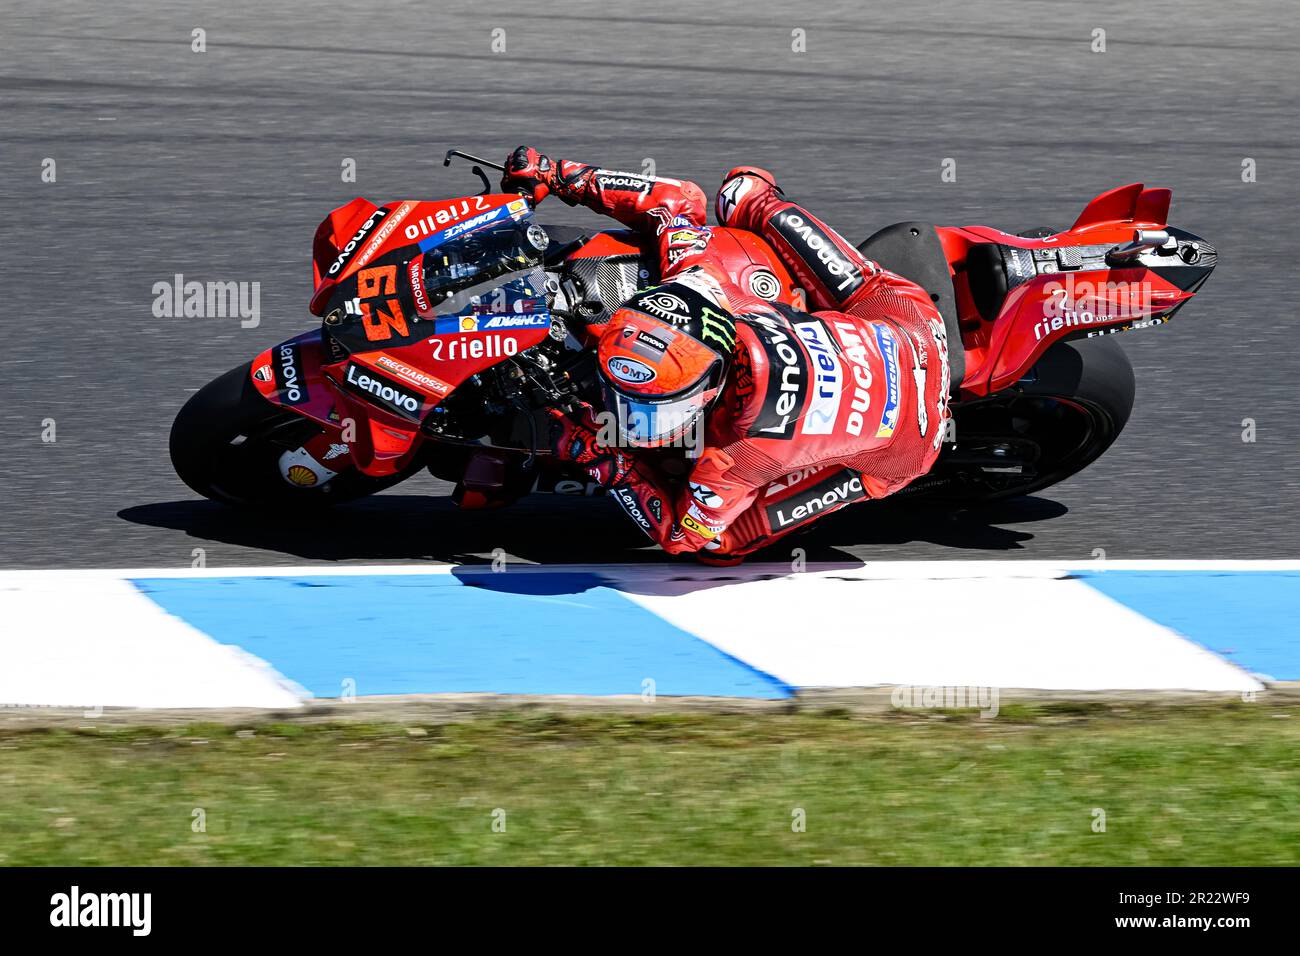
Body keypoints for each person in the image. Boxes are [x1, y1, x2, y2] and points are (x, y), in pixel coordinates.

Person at [501, 146, 952, 560]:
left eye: (650, 410)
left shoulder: (737, 455)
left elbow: (681, 535)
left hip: (908, 440)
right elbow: (676, 200)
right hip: (901, 322)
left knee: (720, 544)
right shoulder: (704, 285)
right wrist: (559, 175)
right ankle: (763, 199)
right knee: (742, 193)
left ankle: (877, 476)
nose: (628, 422)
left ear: (709, 385)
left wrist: (594, 452)